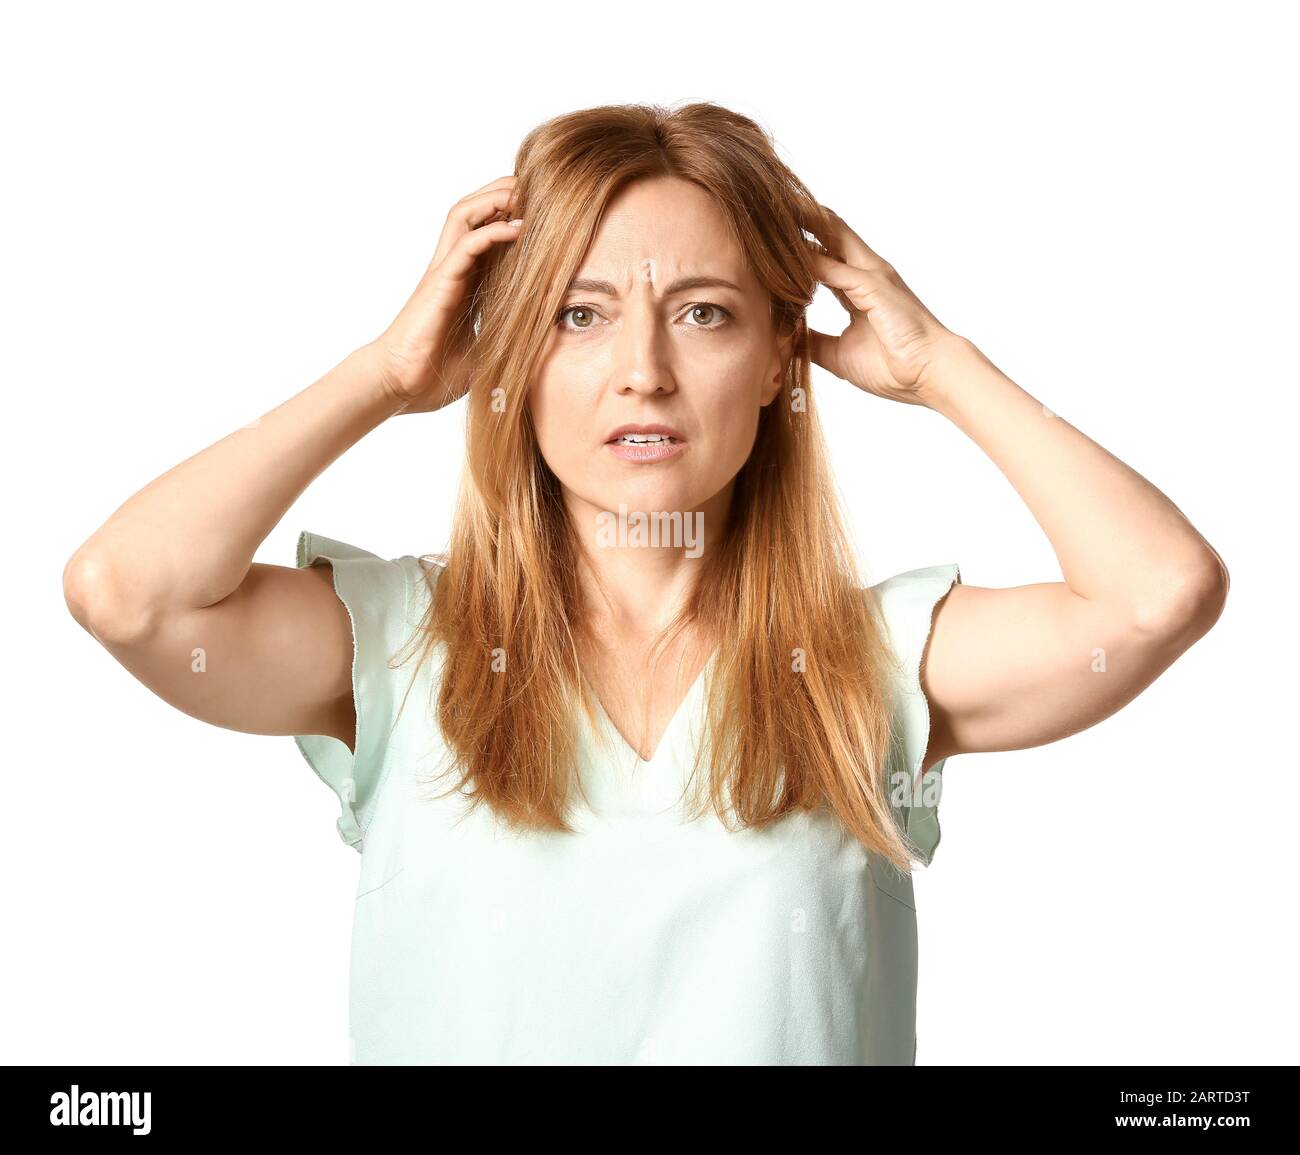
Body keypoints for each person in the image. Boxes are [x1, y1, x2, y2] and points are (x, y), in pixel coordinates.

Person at [62, 101, 1229, 1065]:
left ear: (781, 356)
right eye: (578, 315)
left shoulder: (872, 664)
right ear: (516, 353)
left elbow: (1155, 593)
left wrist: (939, 365)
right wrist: (381, 376)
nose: (643, 373)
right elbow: (130, 592)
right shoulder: (401, 644)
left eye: (704, 315)